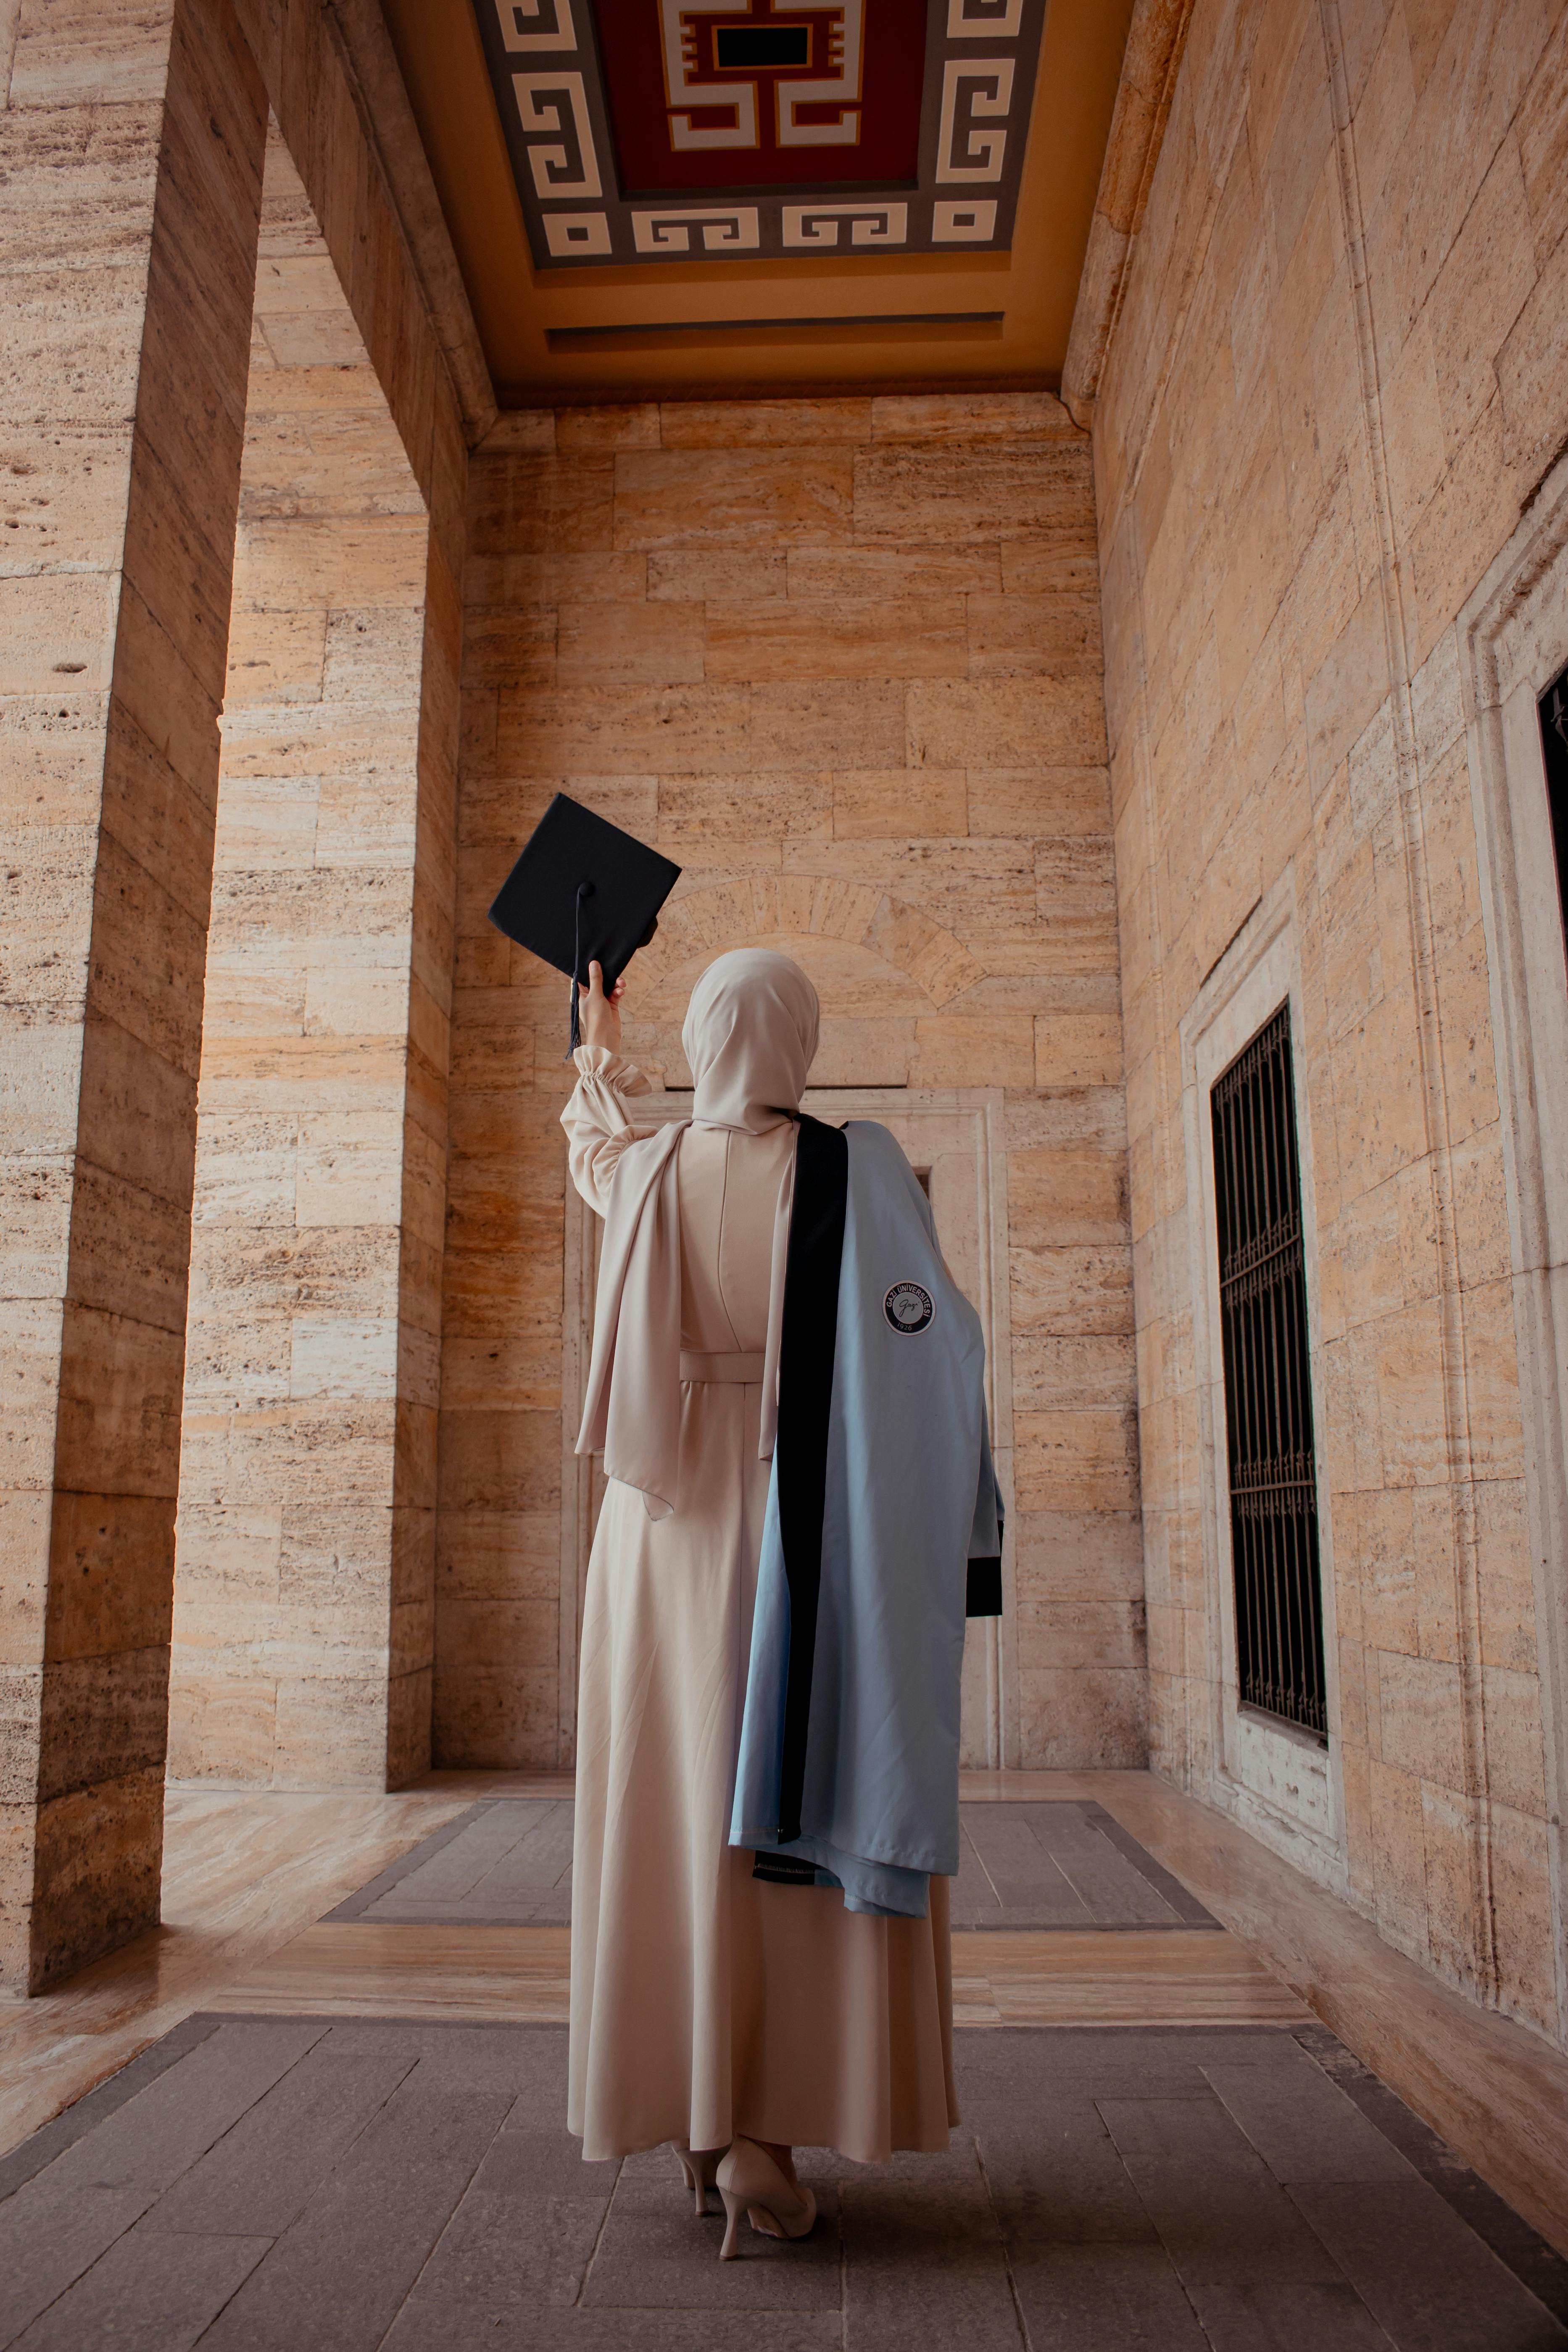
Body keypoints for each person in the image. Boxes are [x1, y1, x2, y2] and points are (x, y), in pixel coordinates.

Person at [561, 947, 959, 2256]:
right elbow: (936, 1346)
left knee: (670, 1811)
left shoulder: (649, 1172)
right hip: (808, 1522)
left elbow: (591, 1135)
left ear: (703, 1034)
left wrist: (599, 1036)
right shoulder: (857, 1174)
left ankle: (695, 2113)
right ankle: (764, 2142)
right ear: (799, 1037)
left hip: (661, 1526)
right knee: (794, 1818)